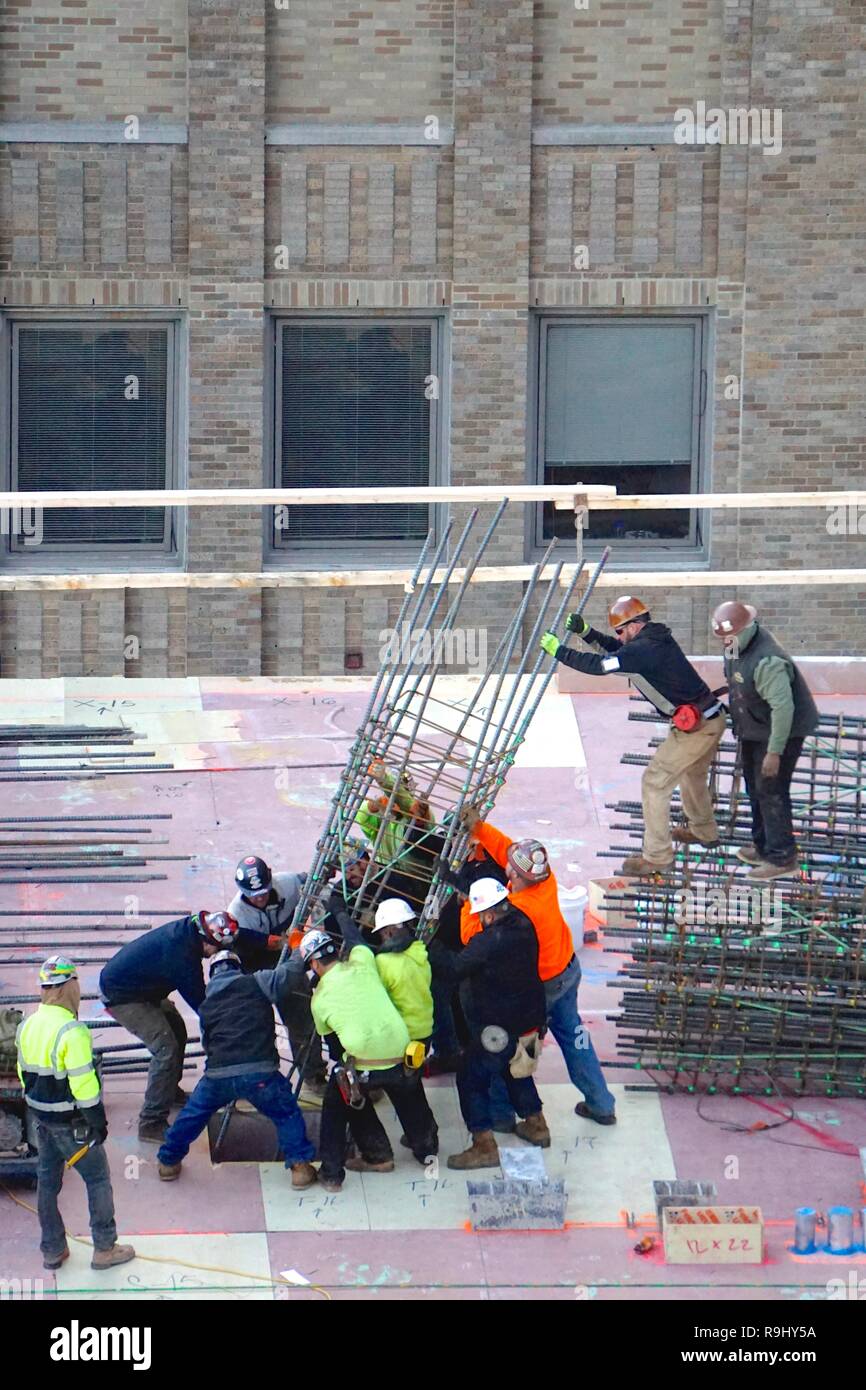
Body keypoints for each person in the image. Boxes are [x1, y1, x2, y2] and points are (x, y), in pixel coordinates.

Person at [541, 596, 727, 874]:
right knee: (692, 776)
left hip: (696, 728)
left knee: (655, 782)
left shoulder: (645, 650)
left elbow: (602, 665)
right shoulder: (652, 641)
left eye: (620, 630)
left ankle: (657, 856)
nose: (619, 636)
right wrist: (586, 633)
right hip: (709, 718)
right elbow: (618, 652)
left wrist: (560, 652)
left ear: (634, 625)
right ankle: (704, 831)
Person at [461, 810, 617, 1127]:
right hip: (567, 972)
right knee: (575, 1037)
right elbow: (507, 848)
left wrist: (467, 900)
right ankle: (601, 1103)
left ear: (516, 877)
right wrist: (478, 827)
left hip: (540, 987)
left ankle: (502, 1114)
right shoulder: (546, 880)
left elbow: (472, 935)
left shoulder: (518, 909)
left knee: (509, 1045)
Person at [156, 949, 317, 1189]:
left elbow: (207, 1044)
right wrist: (297, 951)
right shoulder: (257, 982)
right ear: (237, 968)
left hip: (218, 1076)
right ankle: (300, 1168)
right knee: (285, 1114)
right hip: (260, 1073)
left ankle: (168, 1161)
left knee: (194, 1114)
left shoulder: (207, 1005)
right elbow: (290, 973)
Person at [16, 956, 135, 1272]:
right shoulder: (73, 1031)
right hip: (72, 1125)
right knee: (97, 1179)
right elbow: (84, 1086)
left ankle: (53, 1249)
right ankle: (105, 1248)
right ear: (69, 986)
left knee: (47, 1182)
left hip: (41, 1121)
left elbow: (22, 1073)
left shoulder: (26, 1025)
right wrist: (98, 1122)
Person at [302, 929, 438, 1192]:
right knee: (411, 1097)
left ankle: (337, 1172)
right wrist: (340, 913)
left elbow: (333, 1047)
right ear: (338, 953)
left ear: (314, 964)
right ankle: (426, 1149)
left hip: (364, 1067)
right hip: (402, 1055)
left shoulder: (319, 1000)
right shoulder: (364, 962)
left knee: (340, 1101)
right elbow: (356, 939)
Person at [428, 879, 549, 1170]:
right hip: (531, 1020)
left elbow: (455, 967)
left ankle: (484, 1145)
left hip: (499, 1027)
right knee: (516, 1069)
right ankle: (536, 1124)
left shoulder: (488, 941)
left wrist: (430, 946)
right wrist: (458, 884)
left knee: (470, 1077)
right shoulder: (523, 922)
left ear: (489, 915)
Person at [99, 911, 239, 1143]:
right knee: (165, 1049)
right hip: (122, 996)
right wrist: (228, 1033)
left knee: (177, 1028)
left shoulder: (194, 929)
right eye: (216, 949)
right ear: (207, 941)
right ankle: (151, 1122)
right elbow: (202, 1005)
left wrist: (269, 941)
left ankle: (168, 1091)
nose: (214, 955)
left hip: (143, 988)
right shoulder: (183, 957)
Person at [712, 600, 819, 879]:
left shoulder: (768, 661)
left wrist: (775, 752)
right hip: (755, 727)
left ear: (746, 629)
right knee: (754, 786)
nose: (726, 643)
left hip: (781, 731)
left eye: (729, 637)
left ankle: (783, 857)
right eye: (722, 638)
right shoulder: (735, 644)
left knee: (771, 789)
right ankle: (762, 846)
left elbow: (783, 710)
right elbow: (736, 678)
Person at [228, 853, 326, 1094]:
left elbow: (315, 882)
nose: (260, 898)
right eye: (253, 895)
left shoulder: (289, 883)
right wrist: (270, 943)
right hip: (254, 965)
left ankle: (313, 1074)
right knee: (254, 1025)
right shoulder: (237, 915)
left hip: (288, 958)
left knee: (302, 1017)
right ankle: (256, 1081)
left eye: (263, 891)